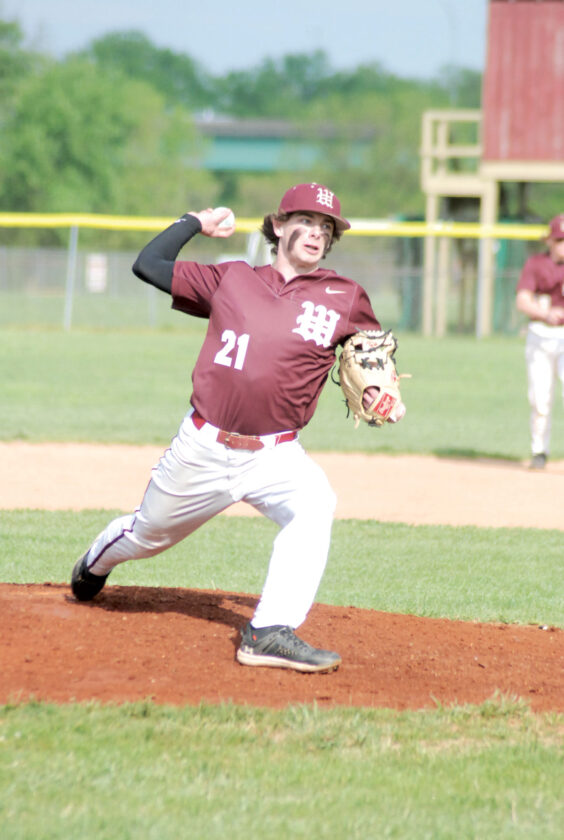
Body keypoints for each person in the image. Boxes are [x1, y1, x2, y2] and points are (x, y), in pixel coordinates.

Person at [70, 182, 405, 673]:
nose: (317, 233)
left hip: (277, 454)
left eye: (326, 227)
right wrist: (193, 223)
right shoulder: (231, 279)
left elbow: (369, 355)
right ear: (279, 226)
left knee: (315, 504)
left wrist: (378, 390)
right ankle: (95, 563)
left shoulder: (344, 296)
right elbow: (148, 265)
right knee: (148, 534)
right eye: (307, 221)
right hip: (204, 445)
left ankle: (268, 631)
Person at [516, 213, 564, 470]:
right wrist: (546, 313)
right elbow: (523, 300)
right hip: (541, 335)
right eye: (559, 240)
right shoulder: (536, 264)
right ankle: (539, 451)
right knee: (540, 398)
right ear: (550, 241)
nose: (562, 245)